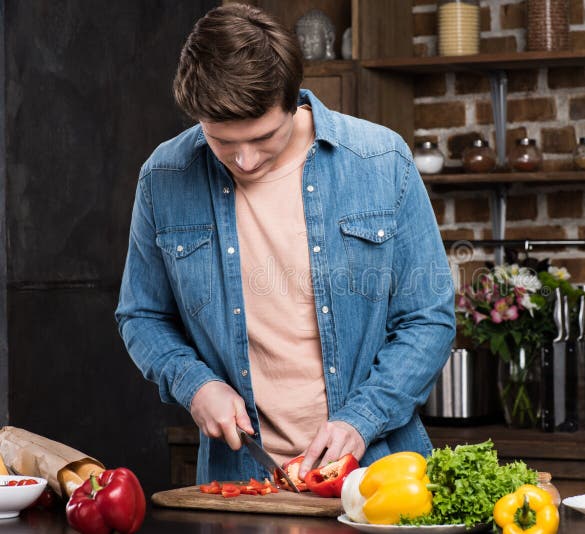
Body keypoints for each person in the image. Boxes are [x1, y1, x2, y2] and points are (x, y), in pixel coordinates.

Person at [115, 3, 455, 484]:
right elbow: (142, 316)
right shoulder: (165, 176)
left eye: (262, 137)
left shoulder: (380, 160)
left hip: (379, 472)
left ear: (293, 101)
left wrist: (361, 419)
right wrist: (196, 386)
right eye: (222, 142)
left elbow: (429, 318)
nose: (246, 160)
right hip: (243, 480)